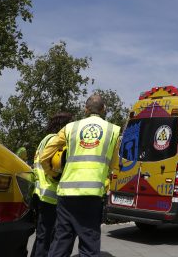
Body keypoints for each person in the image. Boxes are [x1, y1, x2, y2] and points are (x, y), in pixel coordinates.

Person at [41, 94, 121, 257]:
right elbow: (113, 166)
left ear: (85, 109)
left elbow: (45, 156)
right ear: (103, 109)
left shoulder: (70, 128)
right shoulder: (113, 130)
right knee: (89, 244)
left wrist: (52, 174)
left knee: (61, 241)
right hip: (92, 196)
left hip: (66, 194)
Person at [30, 112, 73, 257]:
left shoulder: (45, 140)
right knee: (48, 237)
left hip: (39, 192)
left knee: (42, 235)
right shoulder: (56, 141)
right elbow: (56, 166)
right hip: (50, 194)